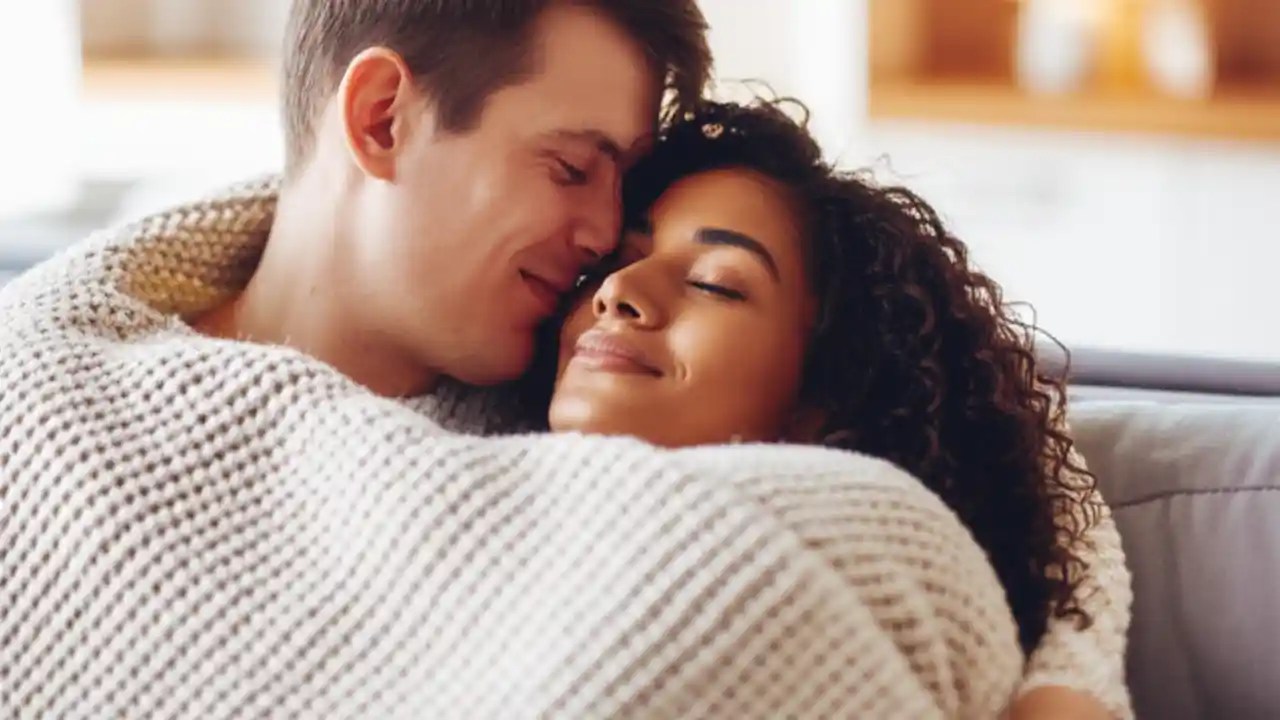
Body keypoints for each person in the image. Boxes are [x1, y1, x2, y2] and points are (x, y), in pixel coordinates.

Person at [0, 2, 1027, 718]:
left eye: (616, 188)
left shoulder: (565, 412)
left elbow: (964, 454)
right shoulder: (47, 387)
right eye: (570, 168)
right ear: (379, 118)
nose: (596, 241)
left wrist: (1074, 674)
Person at [504, 99, 1134, 720]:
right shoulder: (454, 442)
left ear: (826, 398)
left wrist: (1069, 677)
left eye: (715, 283)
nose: (618, 291)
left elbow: (1048, 470)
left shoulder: (874, 549)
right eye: (615, 262)